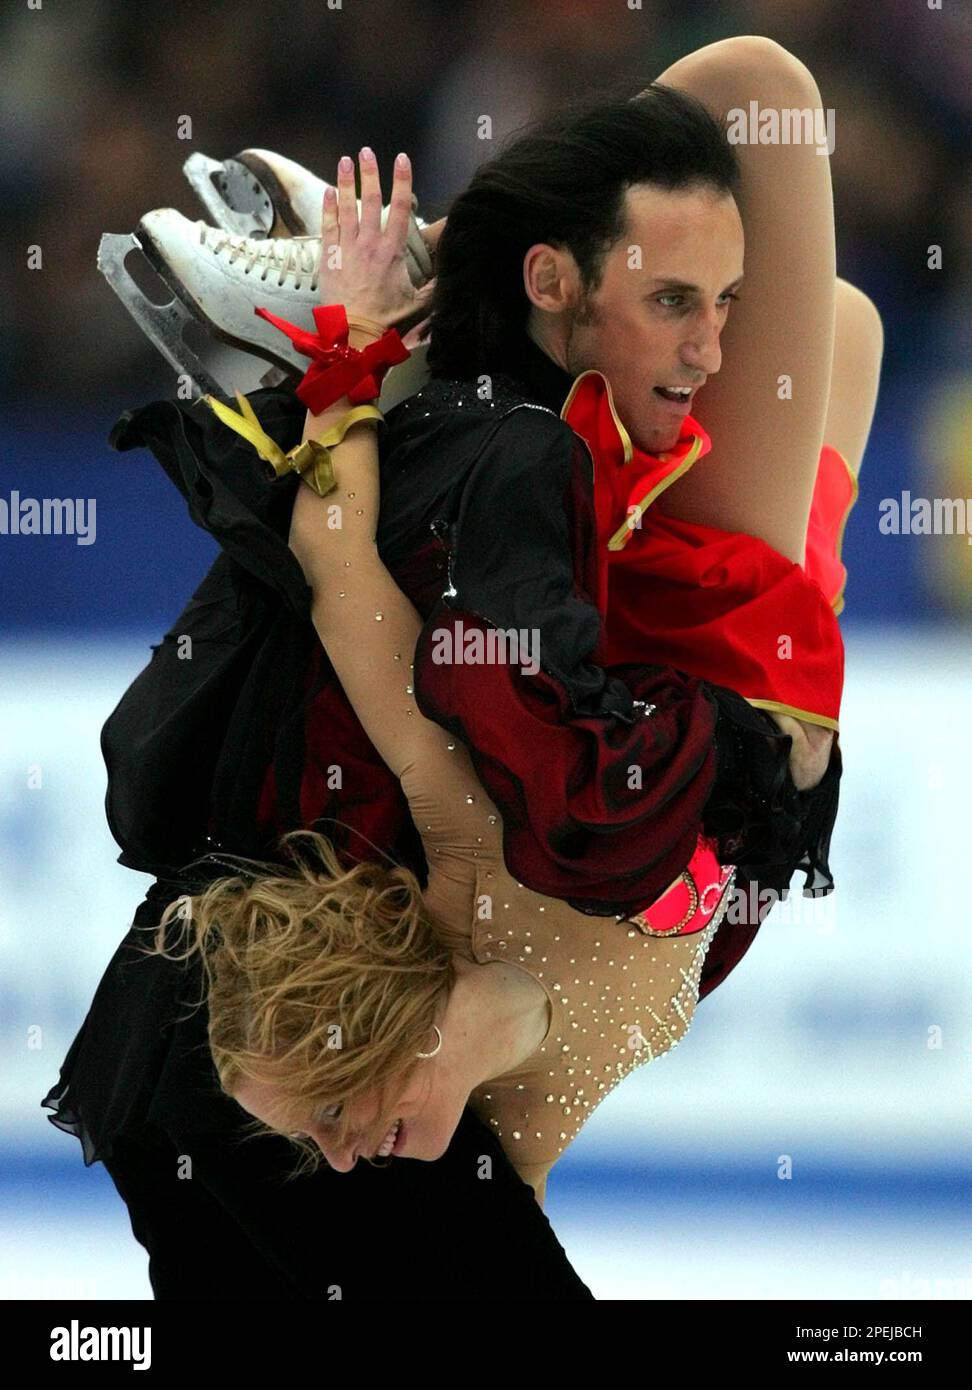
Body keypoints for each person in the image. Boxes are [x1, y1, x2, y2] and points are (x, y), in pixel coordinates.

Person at [41, 37, 881, 1298]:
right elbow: (346, 589)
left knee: (772, 139)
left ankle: (461, 282)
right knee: (838, 308)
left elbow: (342, 585)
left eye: (339, 1121)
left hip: (688, 634)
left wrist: (356, 351)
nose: (347, 1142)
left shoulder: (462, 855)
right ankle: (470, 279)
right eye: (336, 1136)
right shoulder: (478, 931)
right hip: (725, 652)